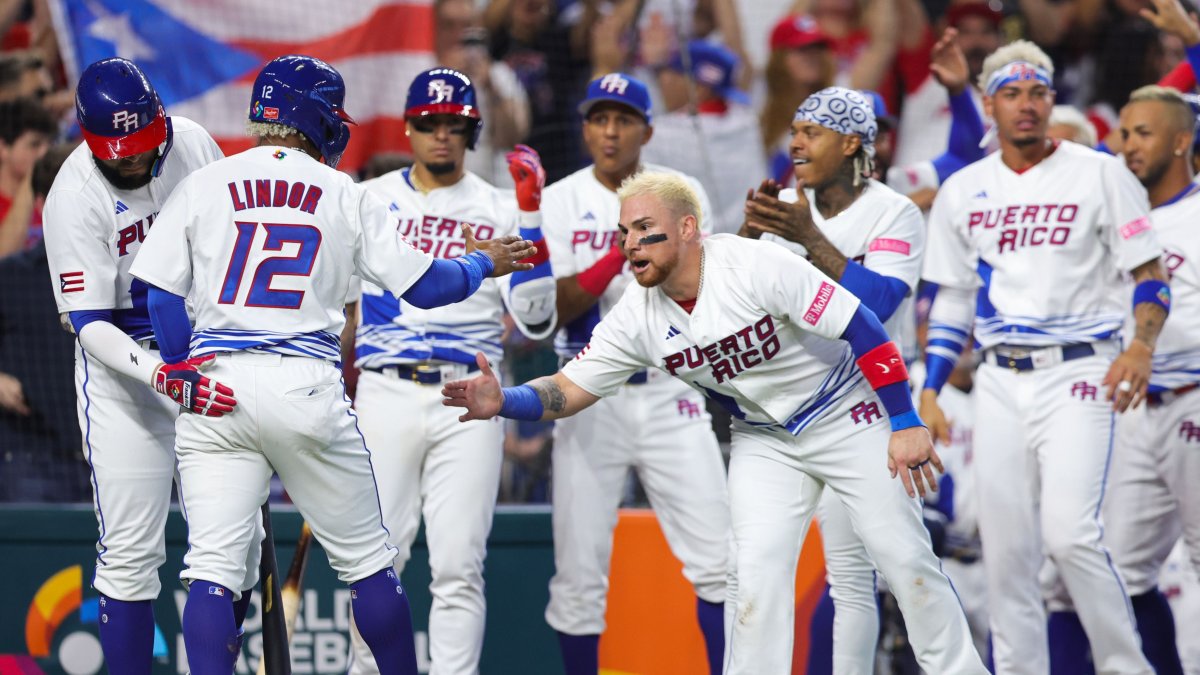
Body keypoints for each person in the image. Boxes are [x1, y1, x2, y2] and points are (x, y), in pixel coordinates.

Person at [444, 171, 988, 674]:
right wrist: (504, 400)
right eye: (623, 231)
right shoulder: (636, 315)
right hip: (765, 438)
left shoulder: (753, 265)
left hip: (845, 411)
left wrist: (905, 419)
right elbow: (567, 389)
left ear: (687, 228)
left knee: (905, 562)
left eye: (643, 228)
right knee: (752, 585)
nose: (630, 242)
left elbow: (863, 326)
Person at [127, 54, 536, 675]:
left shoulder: (205, 182)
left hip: (216, 387)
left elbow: (157, 293)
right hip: (306, 385)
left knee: (211, 570)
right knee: (372, 563)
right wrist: (482, 263)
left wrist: (180, 367)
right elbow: (428, 288)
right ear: (314, 115)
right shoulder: (343, 191)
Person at [918, 40, 1168, 675]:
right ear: (988, 104)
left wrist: (1141, 345)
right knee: (1008, 554)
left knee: (1070, 534)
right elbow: (952, 302)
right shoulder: (964, 190)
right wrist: (932, 389)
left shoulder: (1098, 171)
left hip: (1080, 368)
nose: (1026, 106)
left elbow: (1150, 272)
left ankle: (1124, 667)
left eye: (1037, 92)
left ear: (1052, 98)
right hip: (1000, 377)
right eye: (1011, 94)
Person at [40, 57, 260, 675]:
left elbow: (231, 257)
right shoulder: (74, 194)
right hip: (124, 377)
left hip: (207, 356)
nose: (134, 160)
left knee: (238, 547)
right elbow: (90, 326)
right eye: (120, 151)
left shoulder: (193, 144)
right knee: (134, 553)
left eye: (141, 145)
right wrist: (160, 374)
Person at [344, 66, 555, 675]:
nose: (441, 135)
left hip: (469, 393)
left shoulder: (499, 206)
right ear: (408, 128)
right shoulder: (368, 196)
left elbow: (537, 319)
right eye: (429, 124)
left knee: (459, 563)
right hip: (384, 387)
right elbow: (338, 300)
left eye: (454, 126)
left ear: (472, 133)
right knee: (376, 561)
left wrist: (533, 214)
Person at [538, 72, 729, 675]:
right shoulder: (560, 198)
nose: (611, 130)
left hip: (672, 391)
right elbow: (552, 311)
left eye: (623, 119)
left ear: (647, 129)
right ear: (585, 126)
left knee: (720, 564)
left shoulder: (682, 191)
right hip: (589, 394)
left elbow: (711, 290)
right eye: (600, 118)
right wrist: (617, 253)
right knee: (578, 575)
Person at [741, 86, 926, 672]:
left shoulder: (894, 211)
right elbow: (736, 302)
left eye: (812, 132)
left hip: (868, 405)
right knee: (752, 569)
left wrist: (808, 238)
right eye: (793, 129)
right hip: (786, 410)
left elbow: (882, 302)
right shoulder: (784, 206)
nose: (795, 142)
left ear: (851, 143)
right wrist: (747, 237)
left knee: (856, 572)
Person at [1042, 84, 1200, 675]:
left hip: (1192, 400)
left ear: (1182, 141)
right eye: (1124, 132)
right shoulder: (1109, 214)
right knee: (1115, 571)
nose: (1127, 145)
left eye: (1144, 133)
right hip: (1129, 410)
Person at [640, 37, 767, 235]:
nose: (663, 82)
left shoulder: (657, 134)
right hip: (749, 244)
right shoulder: (748, 123)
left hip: (690, 250)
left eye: (670, 74)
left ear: (698, 88)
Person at [0, 96, 55, 256]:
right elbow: (4, 257)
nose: (45, 152)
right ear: (3, 148)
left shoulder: (53, 195)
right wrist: (32, 176)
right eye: (34, 144)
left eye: (49, 144)